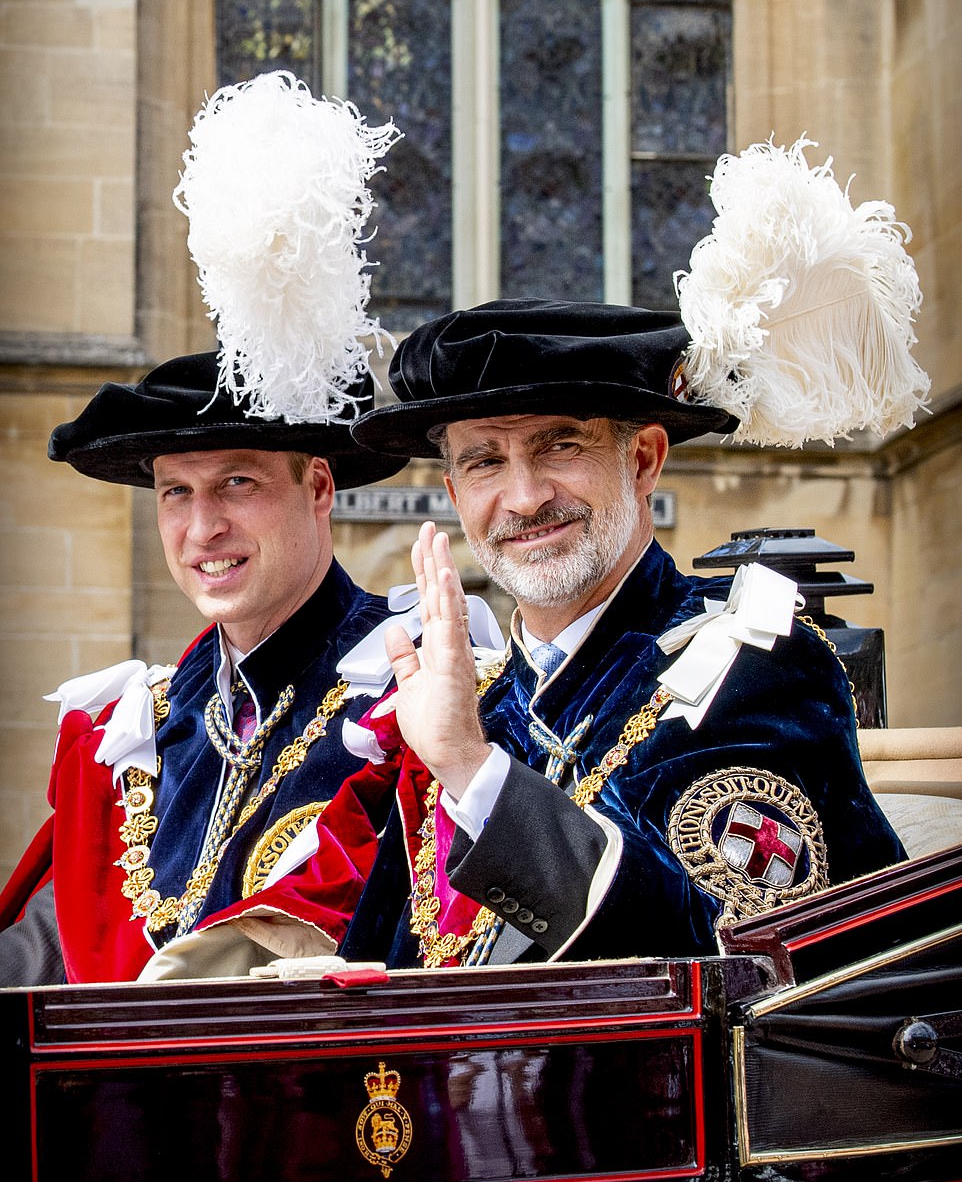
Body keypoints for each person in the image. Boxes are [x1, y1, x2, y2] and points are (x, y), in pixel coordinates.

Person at [330, 298, 906, 968]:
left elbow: (735, 969)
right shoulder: (468, 705)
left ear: (642, 459)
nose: (523, 497)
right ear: (455, 496)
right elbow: (371, 979)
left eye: (560, 444)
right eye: (486, 461)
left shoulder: (759, 670)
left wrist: (472, 769)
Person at [0, 351, 411, 986]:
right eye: (176, 492)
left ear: (320, 487)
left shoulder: (416, 694)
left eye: (237, 483)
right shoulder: (134, 730)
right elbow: (52, 944)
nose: (203, 528)